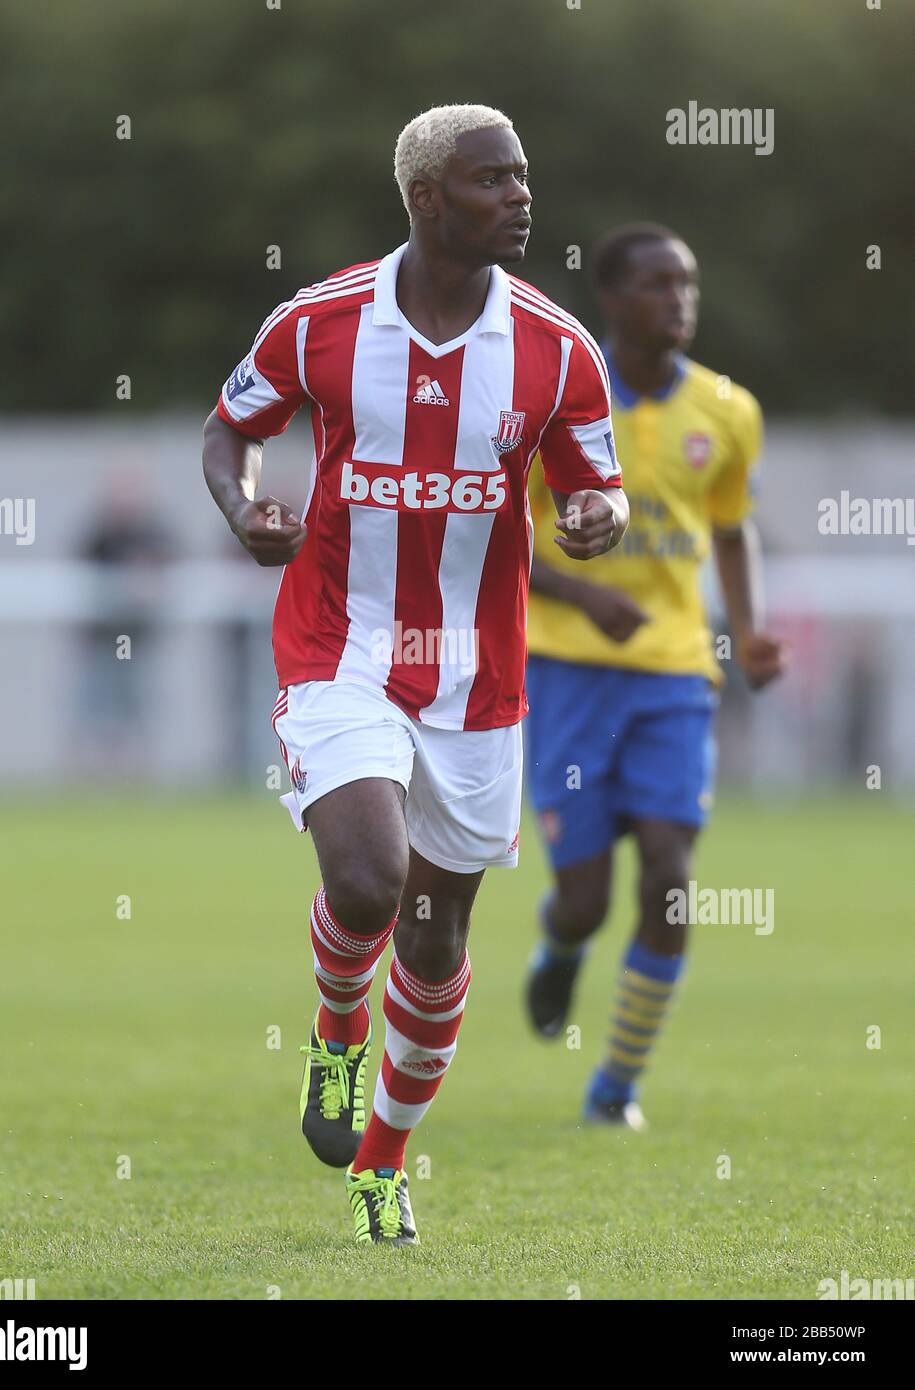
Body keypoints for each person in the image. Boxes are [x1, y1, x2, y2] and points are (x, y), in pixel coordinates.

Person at [203, 105, 628, 1244]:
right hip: (340, 648)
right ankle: (337, 1028)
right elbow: (230, 425)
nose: (522, 196)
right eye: (494, 179)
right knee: (365, 880)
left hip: (479, 686)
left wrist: (596, 514)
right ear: (427, 197)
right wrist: (246, 507)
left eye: (525, 176)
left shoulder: (554, 344)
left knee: (436, 939)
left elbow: (597, 478)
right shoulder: (324, 321)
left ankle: (382, 1166)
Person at [524, 223, 786, 1129]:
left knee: (670, 876)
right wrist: (579, 596)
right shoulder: (555, 394)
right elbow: (485, 536)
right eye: (656, 284)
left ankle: (615, 1089)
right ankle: (558, 949)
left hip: (675, 670)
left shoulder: (726, 409)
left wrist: (747, 634)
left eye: (687, 283)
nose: (678, 300)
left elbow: (727, 526)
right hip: (563, 671)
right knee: (586, 898)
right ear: (610, 299)